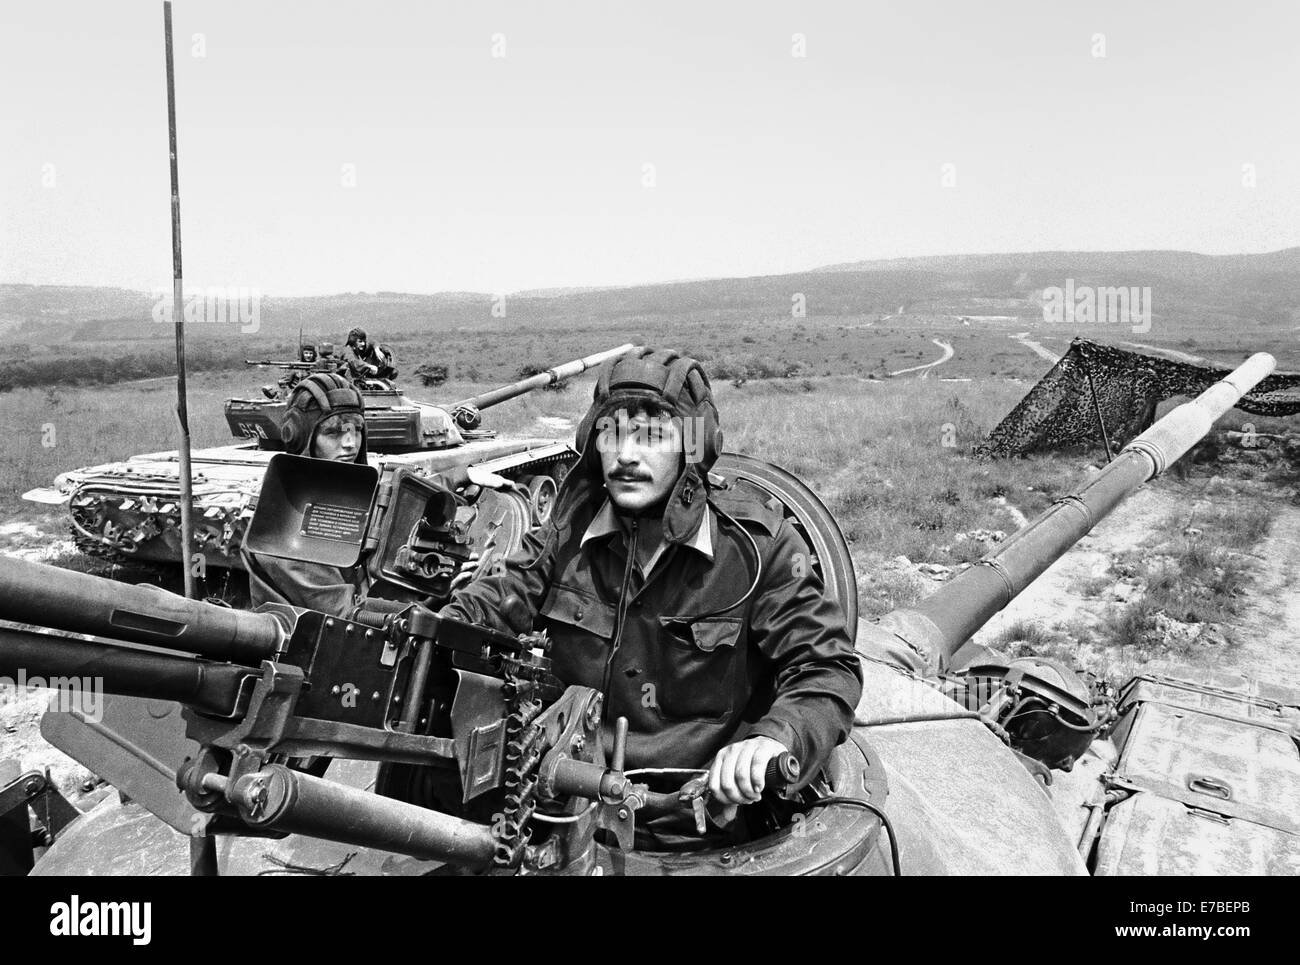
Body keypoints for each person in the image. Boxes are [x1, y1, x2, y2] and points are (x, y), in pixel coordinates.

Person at [440, 348, 862, 844]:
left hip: (695, 831)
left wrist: (775, 738)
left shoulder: (757, 550)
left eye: (653, 436)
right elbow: (498, 599)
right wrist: (438, 625)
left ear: (692, 448)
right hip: (563, 815)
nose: (626, 456)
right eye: (611, 434)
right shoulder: (569, 527)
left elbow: (827, 666)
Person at [241, 373, 371, 613]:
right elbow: (341, 613)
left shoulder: (348, 497)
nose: (351, 443)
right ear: (302, 436)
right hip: (307, 641)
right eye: (333, 433)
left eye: (357, 430)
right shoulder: (286, 517)